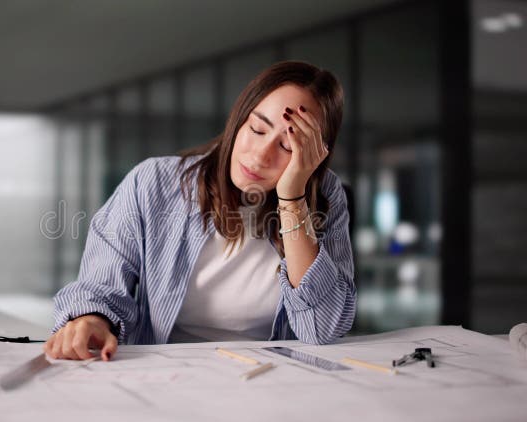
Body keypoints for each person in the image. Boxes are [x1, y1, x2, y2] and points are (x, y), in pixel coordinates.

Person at [44, 61, 355, 361]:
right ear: (239, 121)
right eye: (258, 129)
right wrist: (92, 319)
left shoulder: (325, 196)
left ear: (314, 156)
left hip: (269, 381)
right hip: (168, 379)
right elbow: (100, 286)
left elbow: (322, 327)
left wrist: (292, 199)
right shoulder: (153, 183)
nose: (261, 156)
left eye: (288, 147)